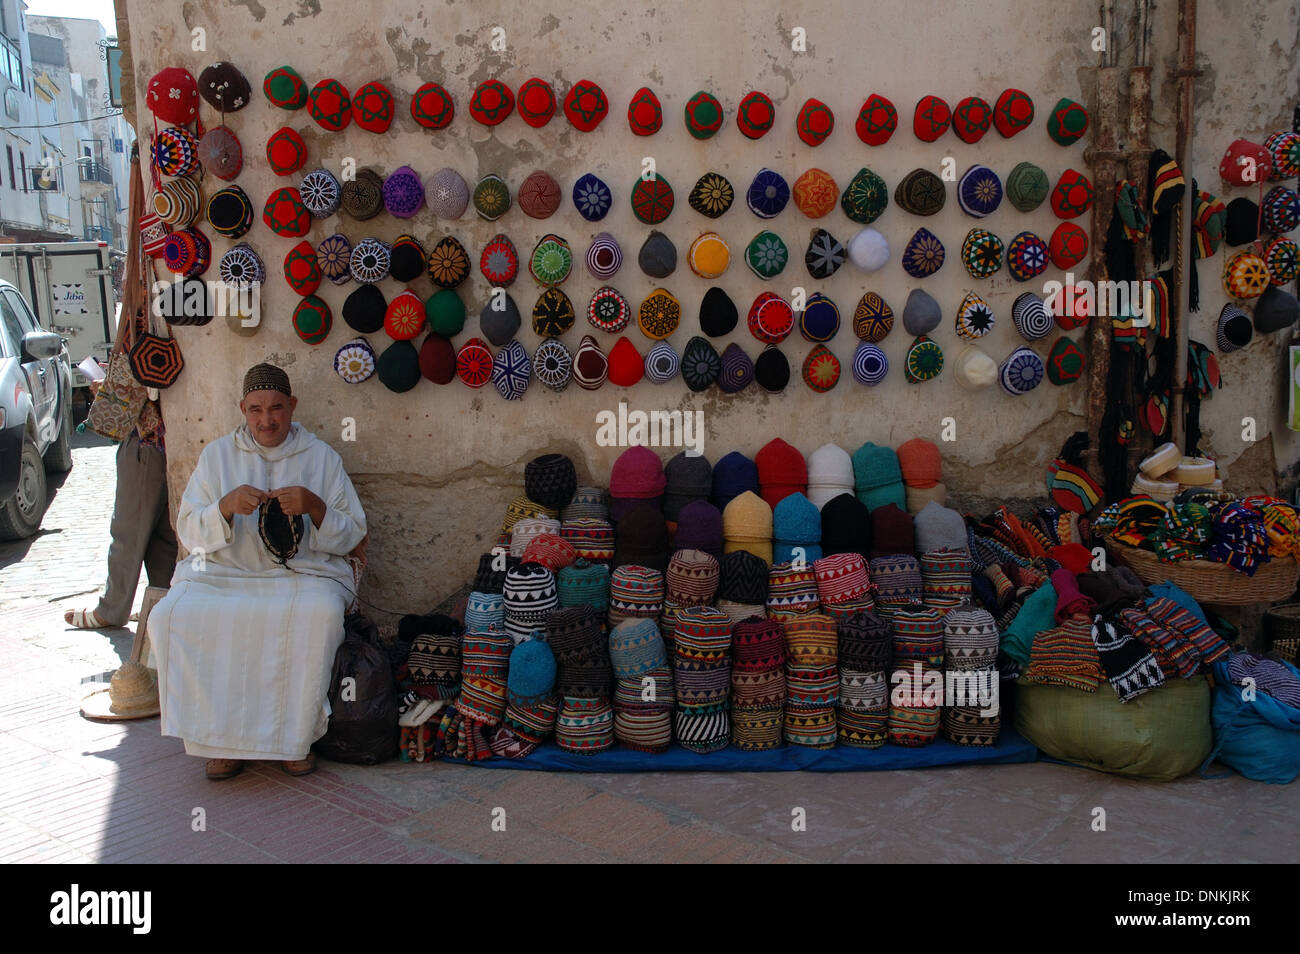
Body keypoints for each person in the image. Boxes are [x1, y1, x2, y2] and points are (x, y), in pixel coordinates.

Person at [148, 363, 367, 779]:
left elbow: (354, 532)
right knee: (170, 616)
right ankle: (219, 743)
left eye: (276, 409)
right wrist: (224, 509)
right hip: (224, 574)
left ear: (292, 406)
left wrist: (315, 507)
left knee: (318, 616)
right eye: (256, 410)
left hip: (303, 574)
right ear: (242, 409)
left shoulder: (321, 457)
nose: (266, 420)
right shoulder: (217, 457)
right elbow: (189, 529)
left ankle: (295, 741)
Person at [64, 380, 178, 630]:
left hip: (145, 437)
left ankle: (112, 609)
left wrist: (112, 386)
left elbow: (145, 381)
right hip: (163, 439)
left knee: (128, 529)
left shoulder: (138, 338)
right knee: (161, 532)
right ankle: (161, 602)